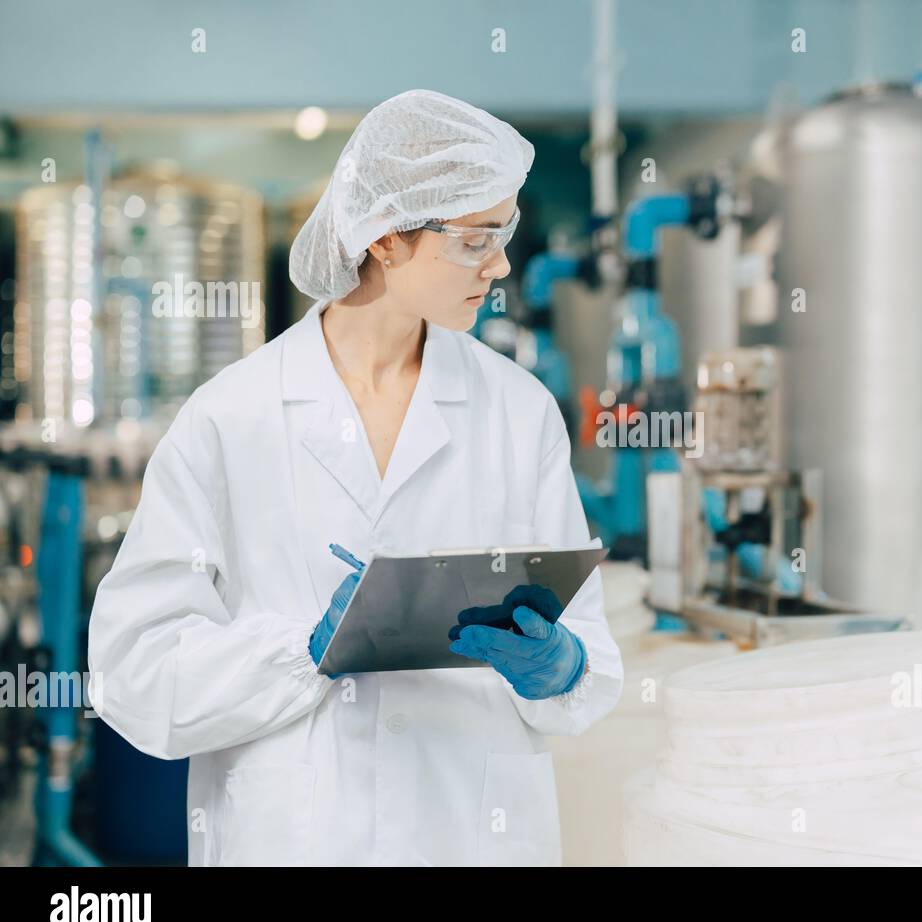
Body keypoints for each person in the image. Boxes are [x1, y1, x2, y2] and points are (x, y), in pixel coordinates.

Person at [87, 90, 623, 866]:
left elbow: (595, 658)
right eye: (476, 240)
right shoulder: (230, 417)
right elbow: (133, 673)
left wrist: (561, 665)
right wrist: (301, 651)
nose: (501, 264)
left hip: (467, 833)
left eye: (503, 234)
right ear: (384, 239)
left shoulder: (517, 411)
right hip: (292, 839)